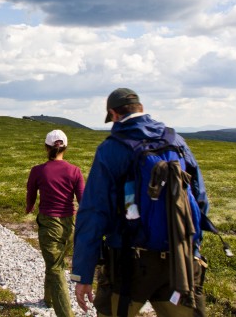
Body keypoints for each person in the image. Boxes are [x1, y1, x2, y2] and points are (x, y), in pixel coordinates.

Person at [71, 88, 210, 317]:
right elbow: (199, 197)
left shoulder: (111, 149)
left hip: (129, 262)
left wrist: (82, 274)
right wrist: (192, 247)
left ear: (113, 114)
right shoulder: (176, 140)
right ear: (141, 108)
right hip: (180, 259)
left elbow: (94, 213)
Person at [27, 129, 85, 317]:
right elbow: (83, 200)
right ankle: (48, 299)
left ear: (46, 147)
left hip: (49, 224)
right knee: (55, 263)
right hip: (69, 226)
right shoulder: (75, 170)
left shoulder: (37, 170)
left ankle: (65, 314)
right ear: (65, 147)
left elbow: (31, 194)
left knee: (56, 268)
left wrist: (29, 207)